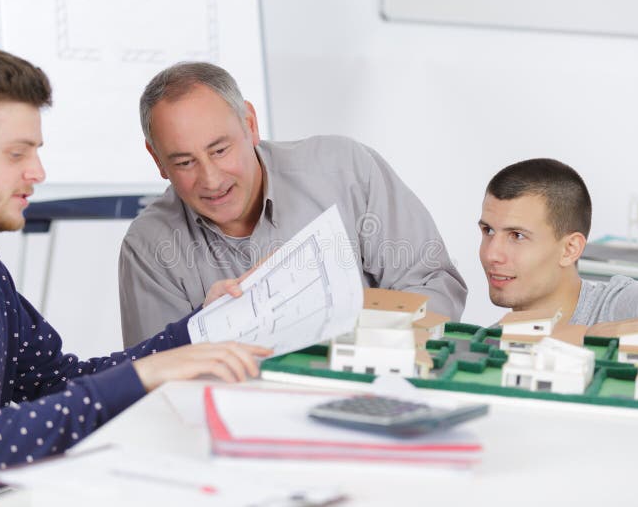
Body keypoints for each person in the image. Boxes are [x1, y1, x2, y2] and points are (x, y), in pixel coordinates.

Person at [0, 43, 271, 472]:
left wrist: (194, 333)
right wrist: (143, 375)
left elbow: (55, 382)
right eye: (16, 153)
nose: (38, 172)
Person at [119, 61, 467, 346]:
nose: (211, 179)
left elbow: (433, 282)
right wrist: (209, 324)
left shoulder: (345, 170)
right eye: (184, 162)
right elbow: (154, 377)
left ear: (250, 125)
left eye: (220, 150)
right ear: (158, 160)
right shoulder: (148, 246)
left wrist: (374, 349)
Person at [477, 158, 638, 335]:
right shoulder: (490, 340)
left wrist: (613, 334)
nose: (491, 254)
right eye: (488, 231)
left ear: (570, 249)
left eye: (517, 235)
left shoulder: (616, 305)